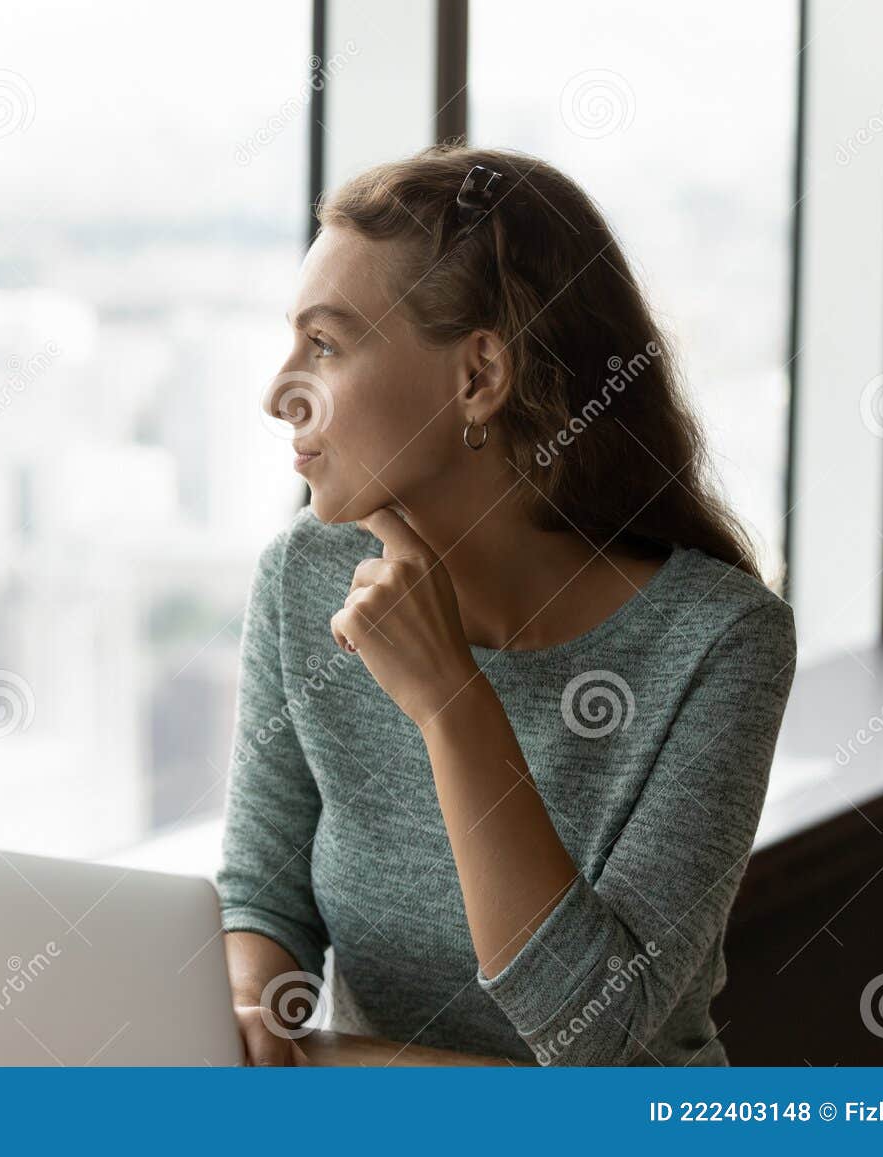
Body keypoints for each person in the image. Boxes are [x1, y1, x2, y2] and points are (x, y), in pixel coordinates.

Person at [218, 144, 797, 1066]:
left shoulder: (721, 641)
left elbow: (596, 1033)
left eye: (324, 344)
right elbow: (265, 891)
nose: (277, 392)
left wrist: (450, 700)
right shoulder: (304, 578)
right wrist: (254, 1002)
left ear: (479, 374)